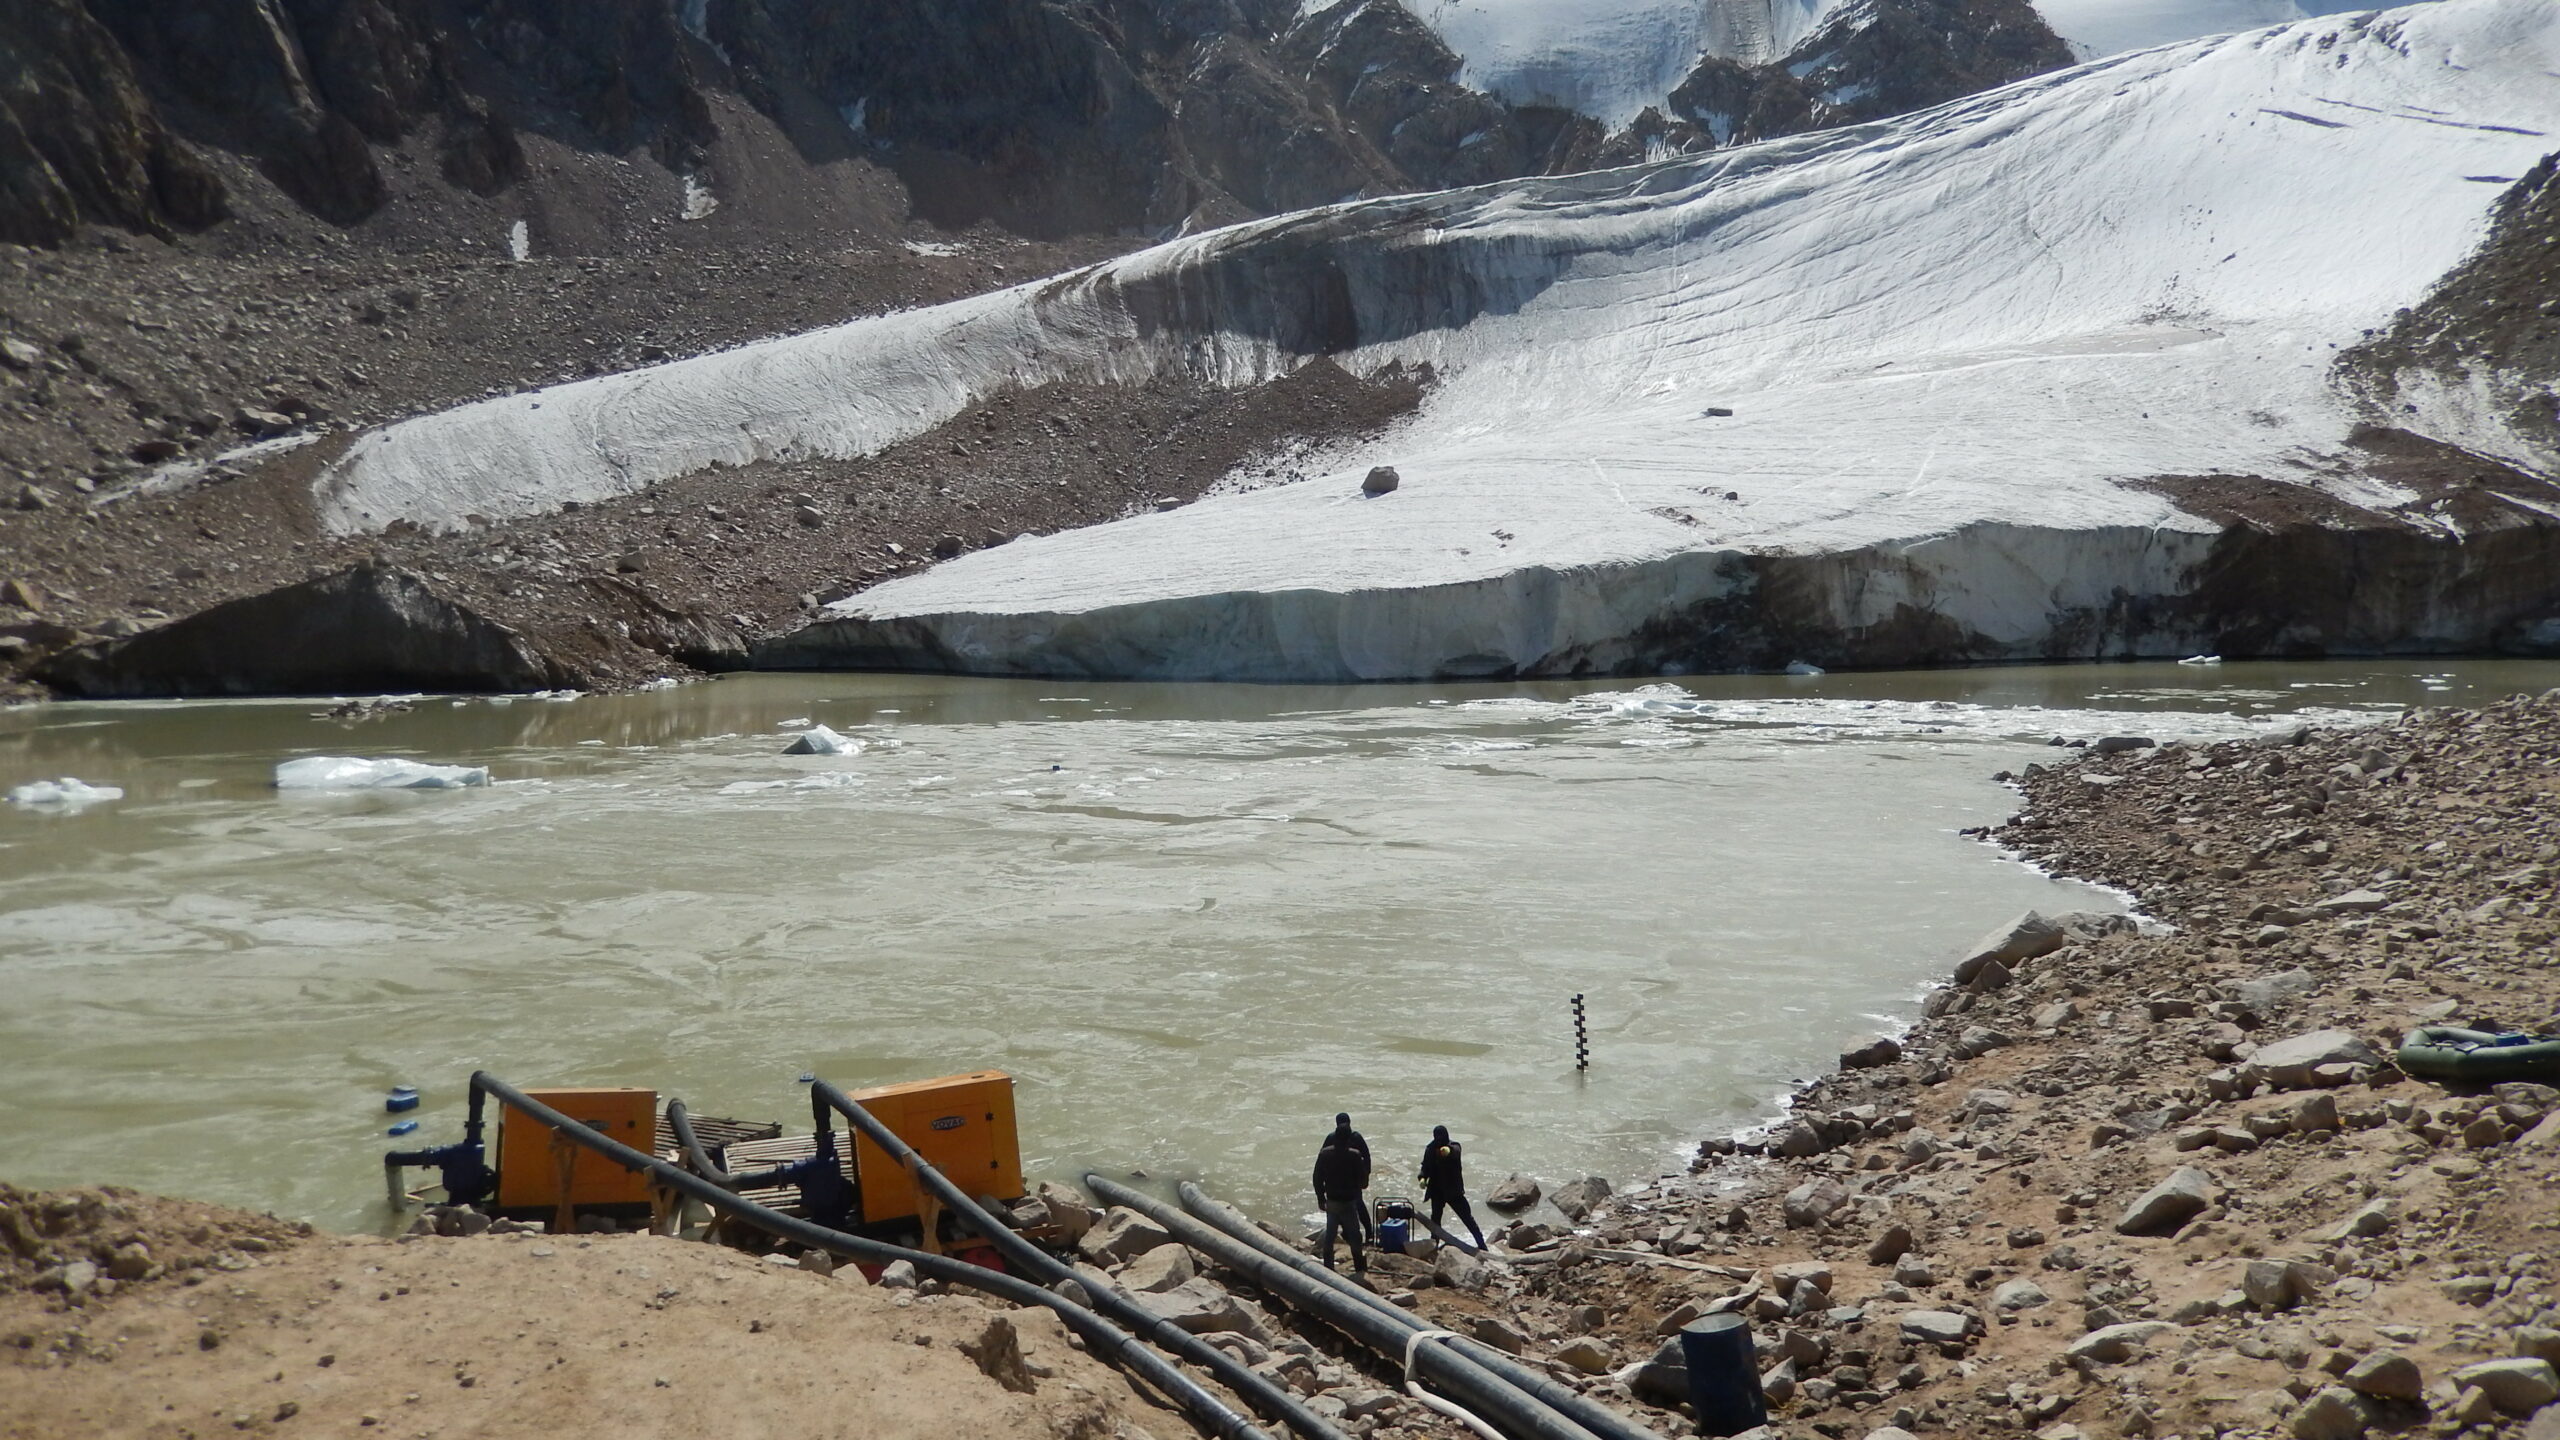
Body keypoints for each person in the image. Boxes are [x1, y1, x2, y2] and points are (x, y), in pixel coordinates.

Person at [1312, 1113, 1370, 1273]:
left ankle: (1328, 1269)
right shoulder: (1354, 1155)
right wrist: (1361, 1185)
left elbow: (1317, 1177)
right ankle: (1360, 1269)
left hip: (1332, 1201)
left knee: (1329, 1237)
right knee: (1355, 1237)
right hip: (1349, 1201)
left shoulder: (1325, 1154)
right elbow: (1363, 1178)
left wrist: (1320, 1197)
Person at [1417, 1124, 1488, 1250]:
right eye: (1436, 1136)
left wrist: (1447, 1151)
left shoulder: (1454, 1146)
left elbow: (1456, 1152)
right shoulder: (1430, 1148)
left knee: (1467, 1217)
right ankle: (1434, 1244)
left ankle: (1481, 1244)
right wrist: (1423, 1177)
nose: (1438, 1138)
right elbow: (1425, 1166)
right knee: (1436, 1219)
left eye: (1440, 1136)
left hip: (1453, 1190)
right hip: (1436, 1190)